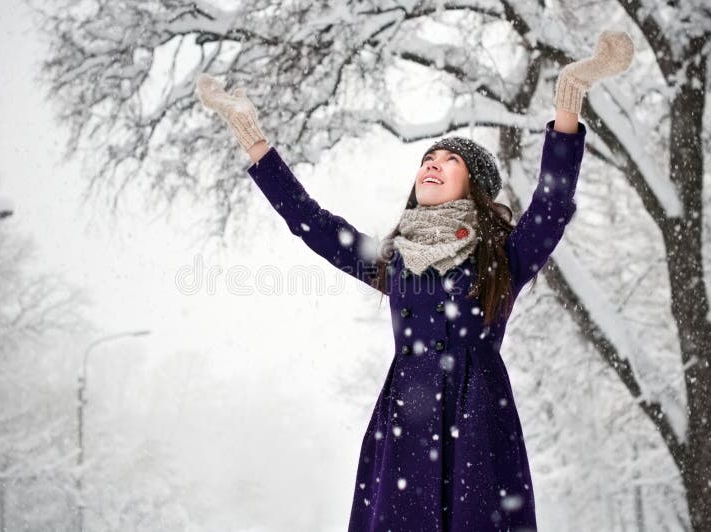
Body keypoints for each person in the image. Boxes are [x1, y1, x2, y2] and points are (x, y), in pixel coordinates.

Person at [197, 30, 634, 532]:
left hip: (478, 427)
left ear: (475, 188)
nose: (433, 164)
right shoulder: (396, 261)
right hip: (406, 425)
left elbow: (552, 205)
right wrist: (249, 132)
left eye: (451, 162)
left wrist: (569, 94)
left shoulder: (502, 258)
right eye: (428, 159)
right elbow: (311, 222)